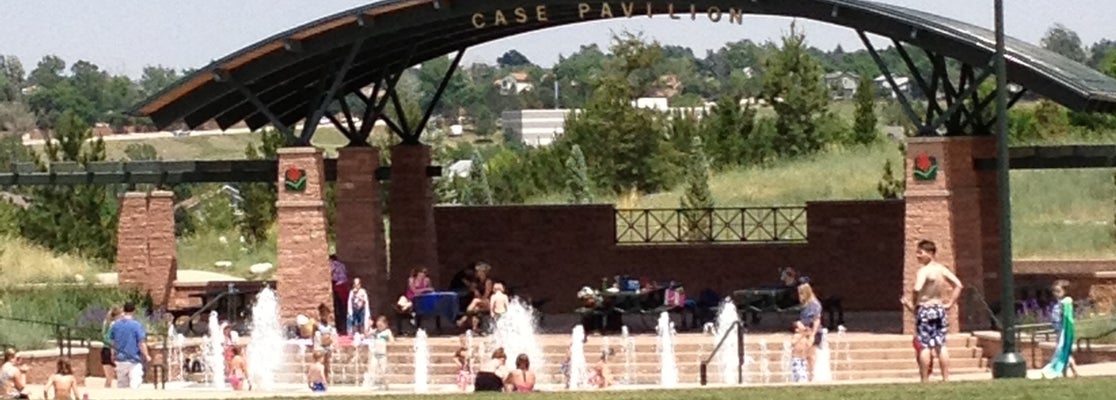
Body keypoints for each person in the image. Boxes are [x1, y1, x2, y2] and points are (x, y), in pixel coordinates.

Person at [910, 239, 963, 383]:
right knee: (941, 344)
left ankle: (925, 380)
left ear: (930, 253)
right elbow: (958, 285)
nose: (917, 256)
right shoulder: (941, 269)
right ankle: (946, 378)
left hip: (925, 308)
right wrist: (950, 303)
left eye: (920, 253)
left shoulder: (924, 271)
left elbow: (917, 288)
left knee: (925, 345)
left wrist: (914, 303)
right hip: (939, 309)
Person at [1041, 279, 1080, 379]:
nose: (1055, 294)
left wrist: (1063, 331)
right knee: (1064, 352)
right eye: (1054, 291)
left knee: (1064, 351)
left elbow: (1067, 318)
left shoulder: (1065, 303)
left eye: (1058, 291)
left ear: (1064, 291)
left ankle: (1071, 372)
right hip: (1058, 331)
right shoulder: (1058, 304)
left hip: (1064, 332)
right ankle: (1068, 373)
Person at [109, 302, 150, 389]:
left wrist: (112, 354)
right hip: (133, 359)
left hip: (120, 359)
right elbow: (141, 343)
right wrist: (146, 355)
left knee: (122, 386)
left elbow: (113, 342)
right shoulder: (136, 325)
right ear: (134, 311)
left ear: (123, 310)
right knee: (135, 385)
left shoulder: (116, 325)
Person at [900, 296, 934, 377]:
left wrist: (907, 303)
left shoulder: (923, 311)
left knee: (923, 354)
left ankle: (925, 373)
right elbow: (914, 310)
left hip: (921, 336)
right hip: (923, 336)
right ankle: (925, 372)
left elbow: (914, 310)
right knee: (924, 354)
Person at [797, 282, 823, 381]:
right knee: (806, 354)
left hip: (812, 332)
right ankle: (808, 374)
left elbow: (817, 320)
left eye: (801, 293)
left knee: (811, 354)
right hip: (805, 331)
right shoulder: (805, 305)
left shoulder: (814, 304)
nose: (799, 295)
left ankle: (812, 375)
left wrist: (813, 334)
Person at [99, 307, 122, 388]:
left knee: (108, 378)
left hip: (104, 349)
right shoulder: (116, 325)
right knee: (111, 377)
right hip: (112, 349)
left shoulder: (105, 323)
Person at [370, 316, 394, 390]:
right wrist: (369, 326)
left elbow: (392, 341)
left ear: (385, 325)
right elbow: (367, 335)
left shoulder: (387, 332)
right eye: (378, 326)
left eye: (381, 326)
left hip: (383, 355)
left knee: (383, 371)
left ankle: (386, 385)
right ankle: (371, 384)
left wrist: (388, 343)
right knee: (372, 368)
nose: (379, 327)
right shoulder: (375, 331)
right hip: (375, 354)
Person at [330, 254, 351, 335]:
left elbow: (332, 276)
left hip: (338, 288)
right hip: (344, 287)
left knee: (338, 309)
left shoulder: (333, 264)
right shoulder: (342, 265)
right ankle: (345, 327)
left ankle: (340, 327)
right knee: (344, 308)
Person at [314, 308, 336, 382]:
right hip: (320, 346)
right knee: (320, 364)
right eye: (323, 314)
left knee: (327, 364)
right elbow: (314, 335)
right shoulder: (317, 325)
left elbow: (332, 335)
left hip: (328, 346)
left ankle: (325, 379)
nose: (325, 316)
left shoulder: (330, 326)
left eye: (327, 315)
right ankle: (319, 379)